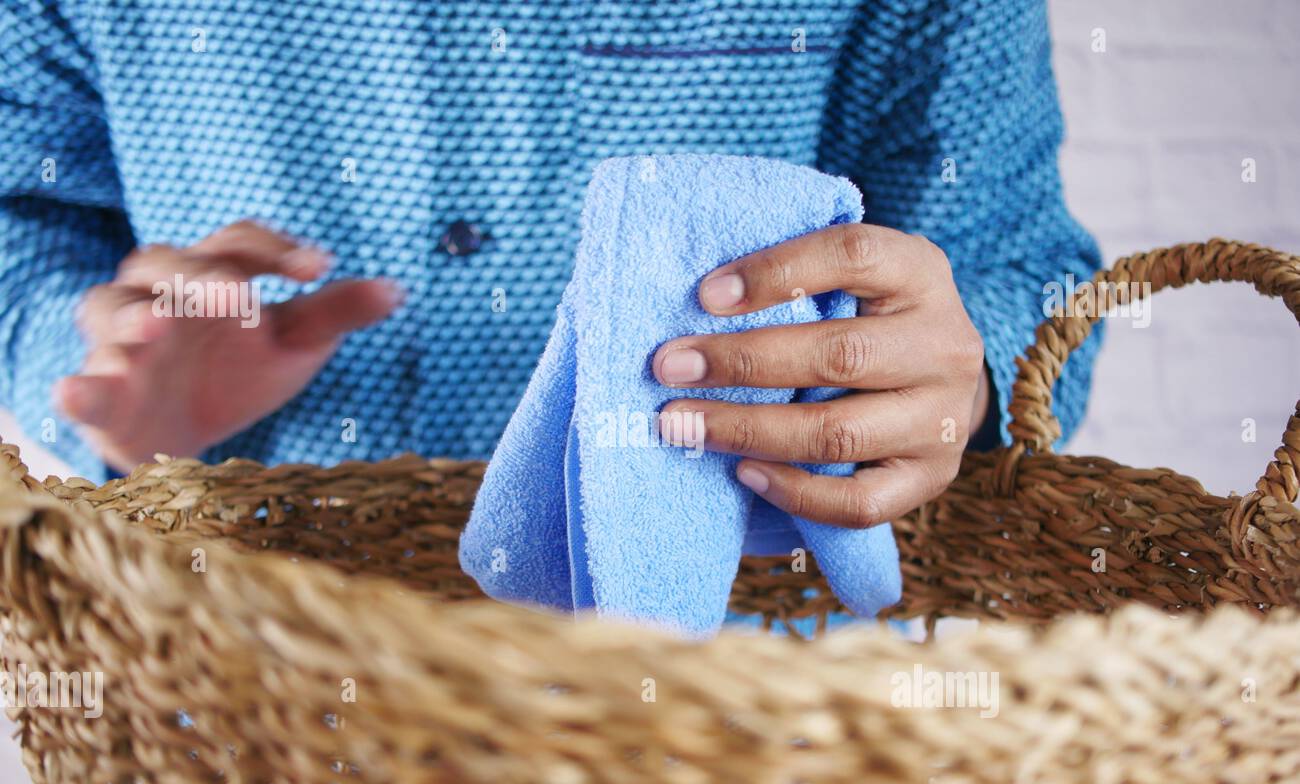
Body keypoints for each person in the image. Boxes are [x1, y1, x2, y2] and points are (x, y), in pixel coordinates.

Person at [0, 0, 1101, 531]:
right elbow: (19, 208)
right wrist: (91, 363)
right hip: (237, 712)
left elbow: (1013, 265)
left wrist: (949, 379)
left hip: (745, 732)